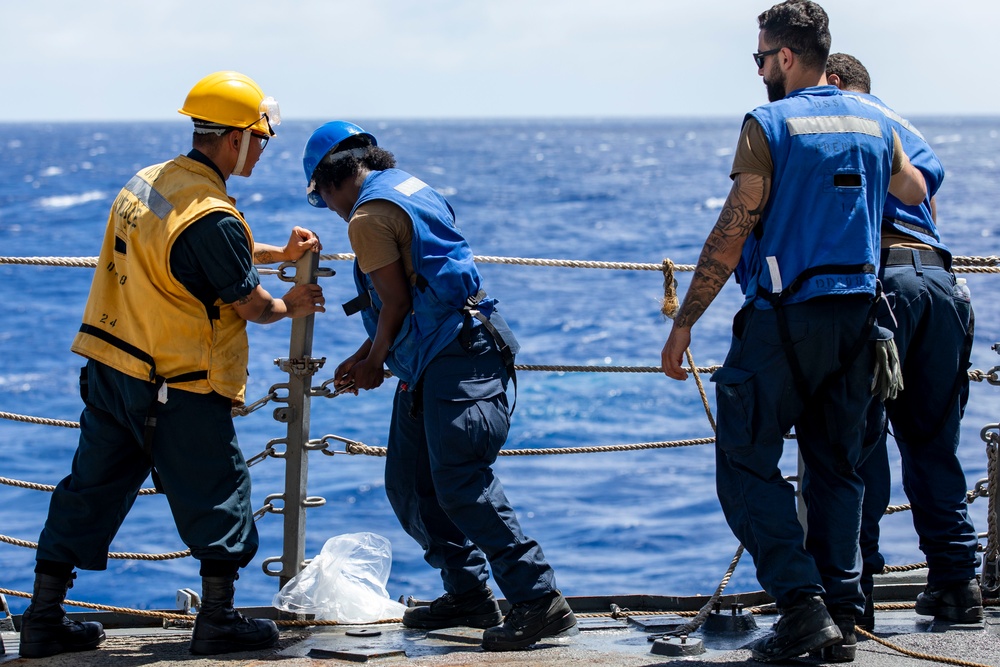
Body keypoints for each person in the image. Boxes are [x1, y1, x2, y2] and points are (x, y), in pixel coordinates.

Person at [18, 71, 326, 659]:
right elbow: (248, 301)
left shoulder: (153, 181)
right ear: (234, 138)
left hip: (112, 369)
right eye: (259, 139)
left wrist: (275, 253)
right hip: (177, 383)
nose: (261, 150)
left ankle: (43, 619)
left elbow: (191, 251)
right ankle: (217, 623)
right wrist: (290, 303)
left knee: (88, 491)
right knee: (219, 491)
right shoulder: (210, 212)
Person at [660, 1, 927, 662]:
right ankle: (841, 612)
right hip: (862, 321)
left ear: (783, 57)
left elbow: (732, 232)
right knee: (839, 469)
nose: (757, 70)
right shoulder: (875, 118)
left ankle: (803, 608)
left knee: (745, 459)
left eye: (759, 58)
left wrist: (685, 321)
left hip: (786, 323)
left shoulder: (767, 124)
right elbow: (911, 187)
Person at [302, 120, 578, 651]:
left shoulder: (366, 217)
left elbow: (399, 303)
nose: (330, 209)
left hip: (456, 360)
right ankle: (470, 593)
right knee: (410, 485)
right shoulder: (410, 188)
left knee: (459, 483)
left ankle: (538, 600)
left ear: (332, 178)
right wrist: (367, 355)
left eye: (322, 197)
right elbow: (413, 292)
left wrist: (374, 361)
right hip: (439, 356)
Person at [825, 53, 983, 629]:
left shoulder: (842, 119)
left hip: (881, 282)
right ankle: (957, 586)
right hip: (941, 285)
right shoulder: (907, 127)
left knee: (858, 446)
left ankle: (855, 595)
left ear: (836, 82)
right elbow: (925, 206)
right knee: (934, 444)